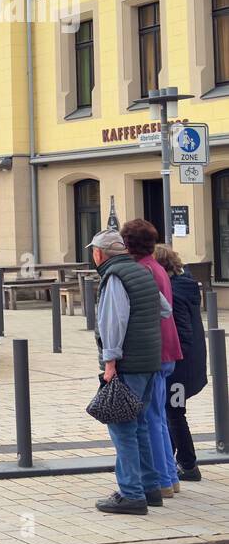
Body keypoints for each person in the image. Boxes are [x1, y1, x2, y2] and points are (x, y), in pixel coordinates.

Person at [91, 227, 167, 515]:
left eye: (93, 252)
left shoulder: (114, 277)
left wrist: (110, 363)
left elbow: (113, 322)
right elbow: (164, 309)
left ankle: (132, 494)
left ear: (100, 253)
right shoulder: (142, 272)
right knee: (141, 425)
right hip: (149, 362)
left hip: (128, 363)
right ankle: (150, 488)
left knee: (122, 428)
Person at [123, 219, 182, 498]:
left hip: (153, 351)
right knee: (157, 417)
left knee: (150, 418)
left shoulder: (142, 270)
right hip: (166, 348)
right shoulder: (156, 266)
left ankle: (160, 479)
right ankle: (168, 476)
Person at [155, 245, 207, 485]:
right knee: (171, 413)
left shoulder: (174, 292)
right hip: (192, 361)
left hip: (181, 366)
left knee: (174, 414)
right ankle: (177, 460)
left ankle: (188, 464)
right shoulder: (185, 285)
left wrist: (172, 361)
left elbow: (182, 333)